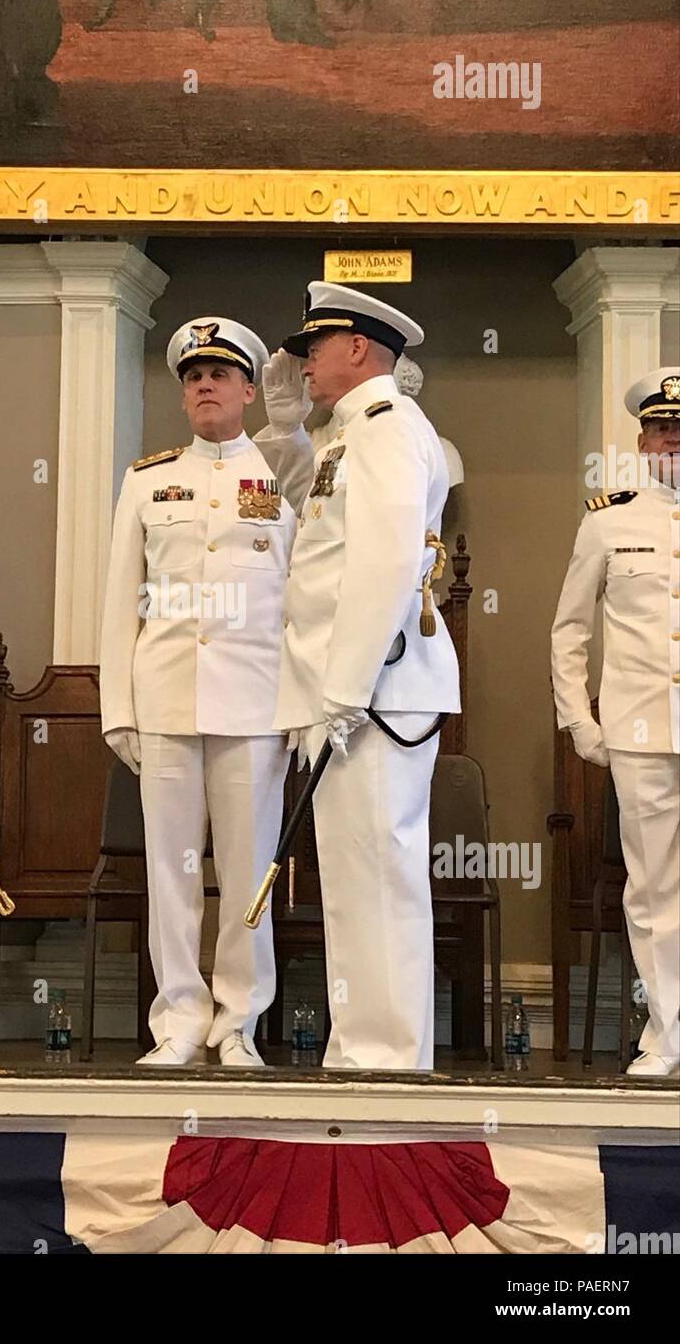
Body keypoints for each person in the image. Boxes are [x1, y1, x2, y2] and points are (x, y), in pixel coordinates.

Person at [255, 282, 459, 1070]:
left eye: (315, 347)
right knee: (350, 877)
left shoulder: (384, 428)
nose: (304, 362)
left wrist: (342, 687)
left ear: (357, 350)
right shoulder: (348, 435)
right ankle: (362, 1046)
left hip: (374, 694)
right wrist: (281, 429)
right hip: (348, 693)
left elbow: (383, 564)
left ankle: (386, 1054)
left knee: (378, 873)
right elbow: (306, 519)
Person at [99, 317, 295, 1066]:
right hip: (167, 699)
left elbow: (301, 603)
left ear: (249, 388)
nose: (204, 385)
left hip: (255, 703)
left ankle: (237, 1019)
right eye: (192, 376)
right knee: (171, 870)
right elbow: (122, 598)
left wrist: (300, 707)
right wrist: (120, 707)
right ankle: (178, 1016)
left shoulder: (283, 475)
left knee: (247, 875)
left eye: (219, 373)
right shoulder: (147, 481)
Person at [551, 367, 680, 1078]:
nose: (673, 440)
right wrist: (580, 722)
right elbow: (567, 631)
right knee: (652, 885)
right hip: (638, 731)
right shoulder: (608, 517)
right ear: (641, 439)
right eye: (662, 428)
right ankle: (666, 1033)